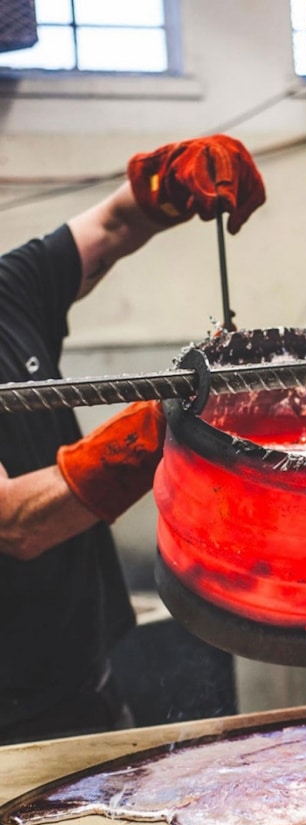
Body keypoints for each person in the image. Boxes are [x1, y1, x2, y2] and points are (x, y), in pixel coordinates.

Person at [0, 134, 266, 745]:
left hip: (87, 677)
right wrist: (160, 426)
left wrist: (171, 180)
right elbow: (15, 523)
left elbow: (115, 222)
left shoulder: (11, 288)